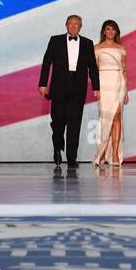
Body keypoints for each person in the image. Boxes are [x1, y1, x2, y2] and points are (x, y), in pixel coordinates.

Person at [38, 14, 99, 166]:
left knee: (75, 122)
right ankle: (57, 148)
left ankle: (72, 158)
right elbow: (46, 63)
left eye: (76, 24)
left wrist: (96, 87)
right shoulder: (55, 40)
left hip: (78, 87)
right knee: (57, 120)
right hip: (59, 86)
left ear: (80, 27)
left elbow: (93, 67)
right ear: (66, 25)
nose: (73, 26)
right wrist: (42, 84)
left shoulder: (87, 43)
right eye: (70, 24)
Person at [92, 19, 129, 167]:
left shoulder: (121, 48)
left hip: (119, 82)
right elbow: (93, 71)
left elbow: (125, 69)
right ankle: (101, 153)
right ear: (103, 31)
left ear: (116, 32)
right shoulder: (97, 48)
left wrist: (126, 91)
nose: (111, 32)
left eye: (113, 29)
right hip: (104, 82)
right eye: (108, 29)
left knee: (117, 116)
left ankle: (114, 153)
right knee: (106, 118)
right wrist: (96, 88)